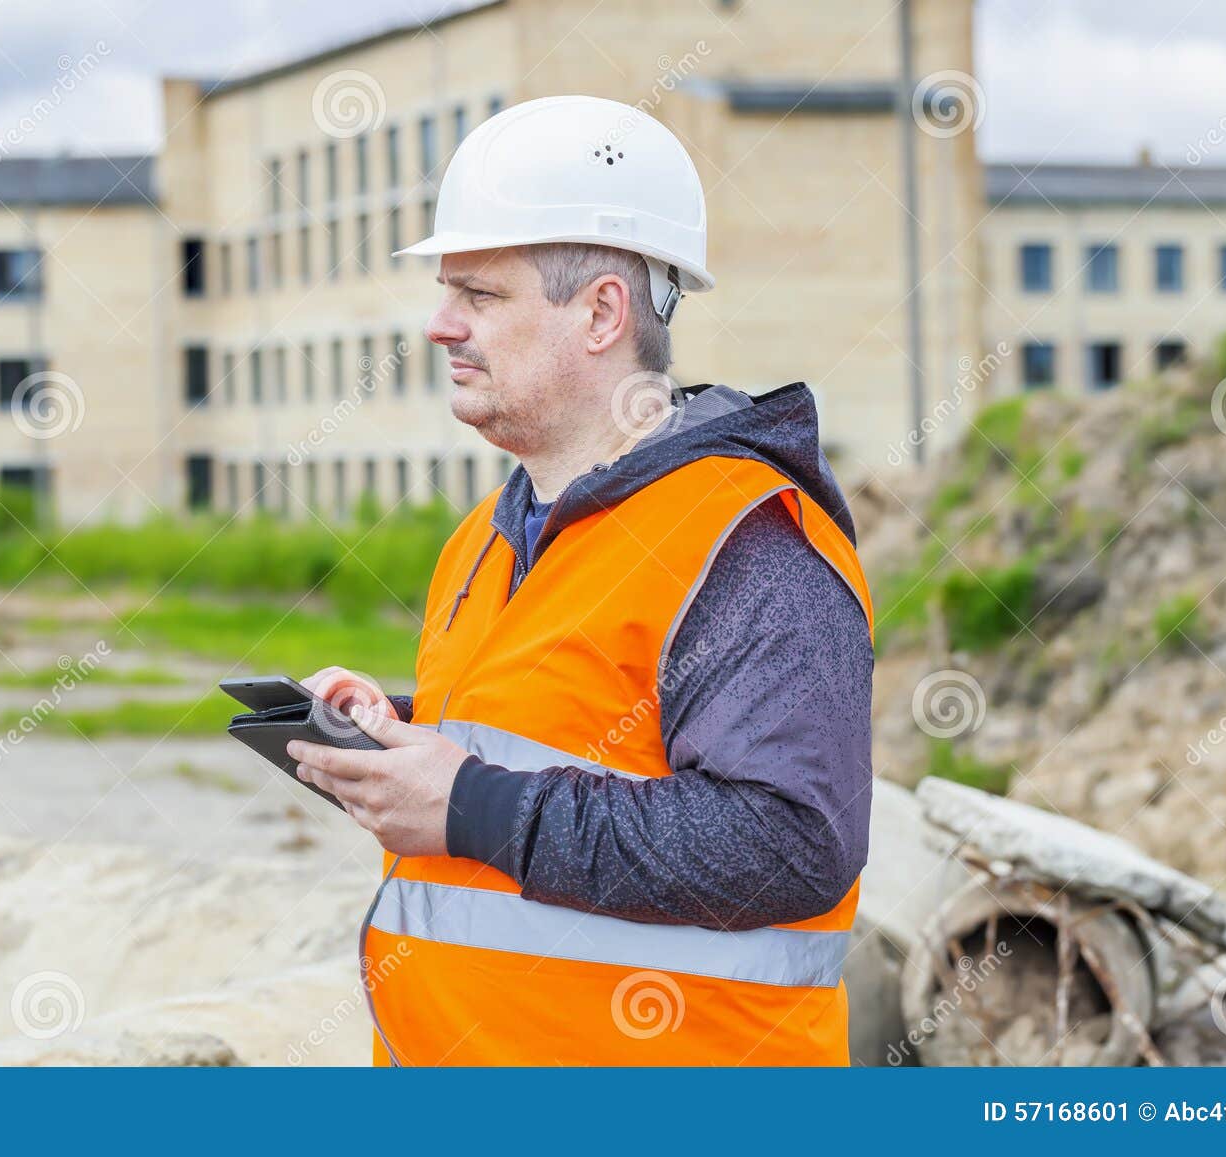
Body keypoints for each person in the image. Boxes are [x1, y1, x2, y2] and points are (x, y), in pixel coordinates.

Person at [284, 94, 874, 1066]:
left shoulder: (745, 541)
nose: (439, 325)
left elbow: (787, 844)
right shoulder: (484, 536)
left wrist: (469, 803)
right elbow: (555, 739)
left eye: (479, 294)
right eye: (446, 291)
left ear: (601, 311)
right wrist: (393, 739)